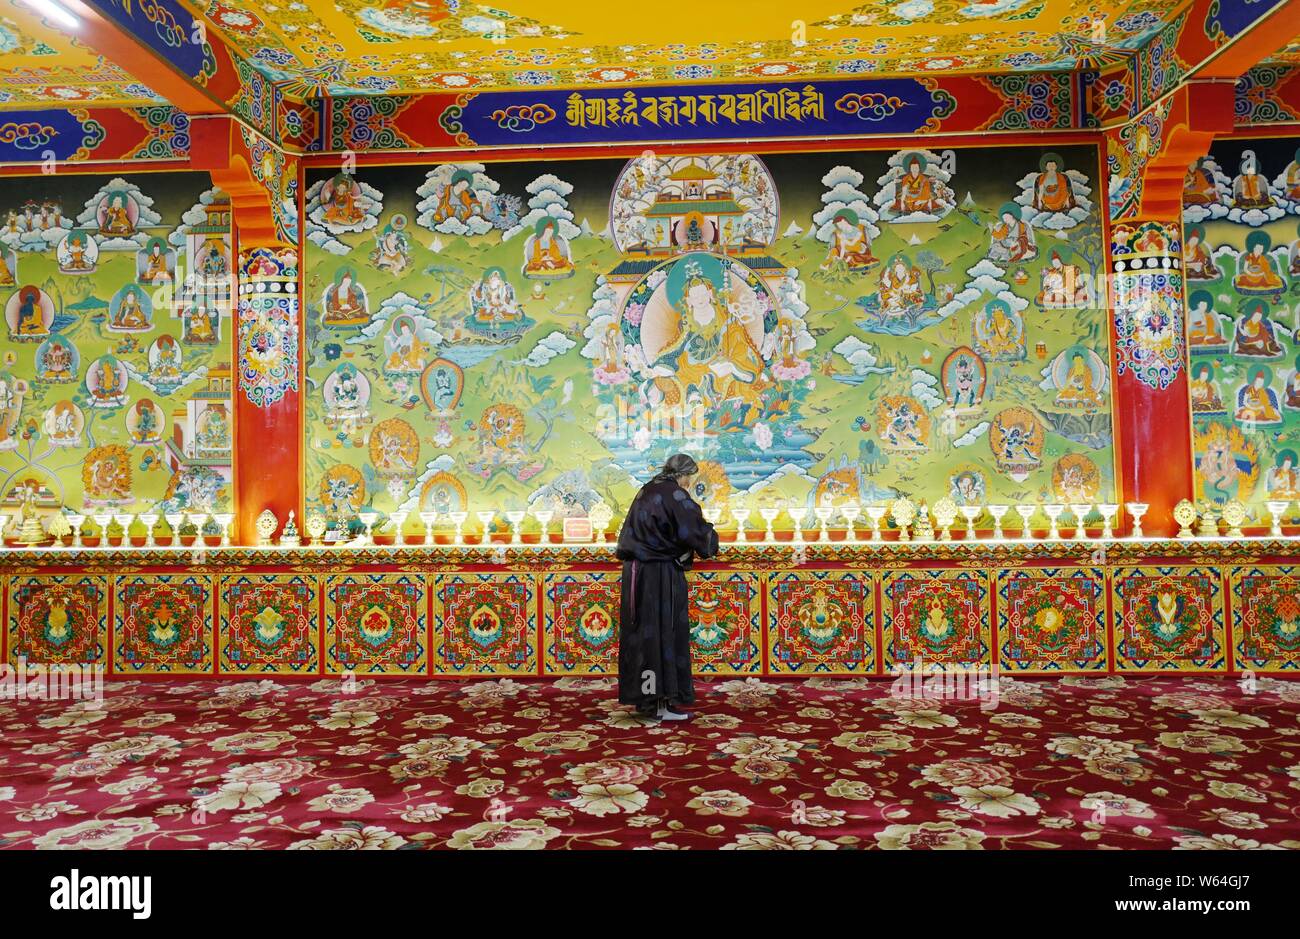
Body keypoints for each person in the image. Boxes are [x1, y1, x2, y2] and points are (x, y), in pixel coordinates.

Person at [616, 453, 719, 721]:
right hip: (659, 574)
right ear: (683, 474)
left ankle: (646, 700)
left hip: (635, 573)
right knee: (663, 634)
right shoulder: (675, 494)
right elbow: (693, 530)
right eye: (689, 478)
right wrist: (711, 537)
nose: (688, 483)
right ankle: (661, 704)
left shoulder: (648, 489)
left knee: (642, 635)